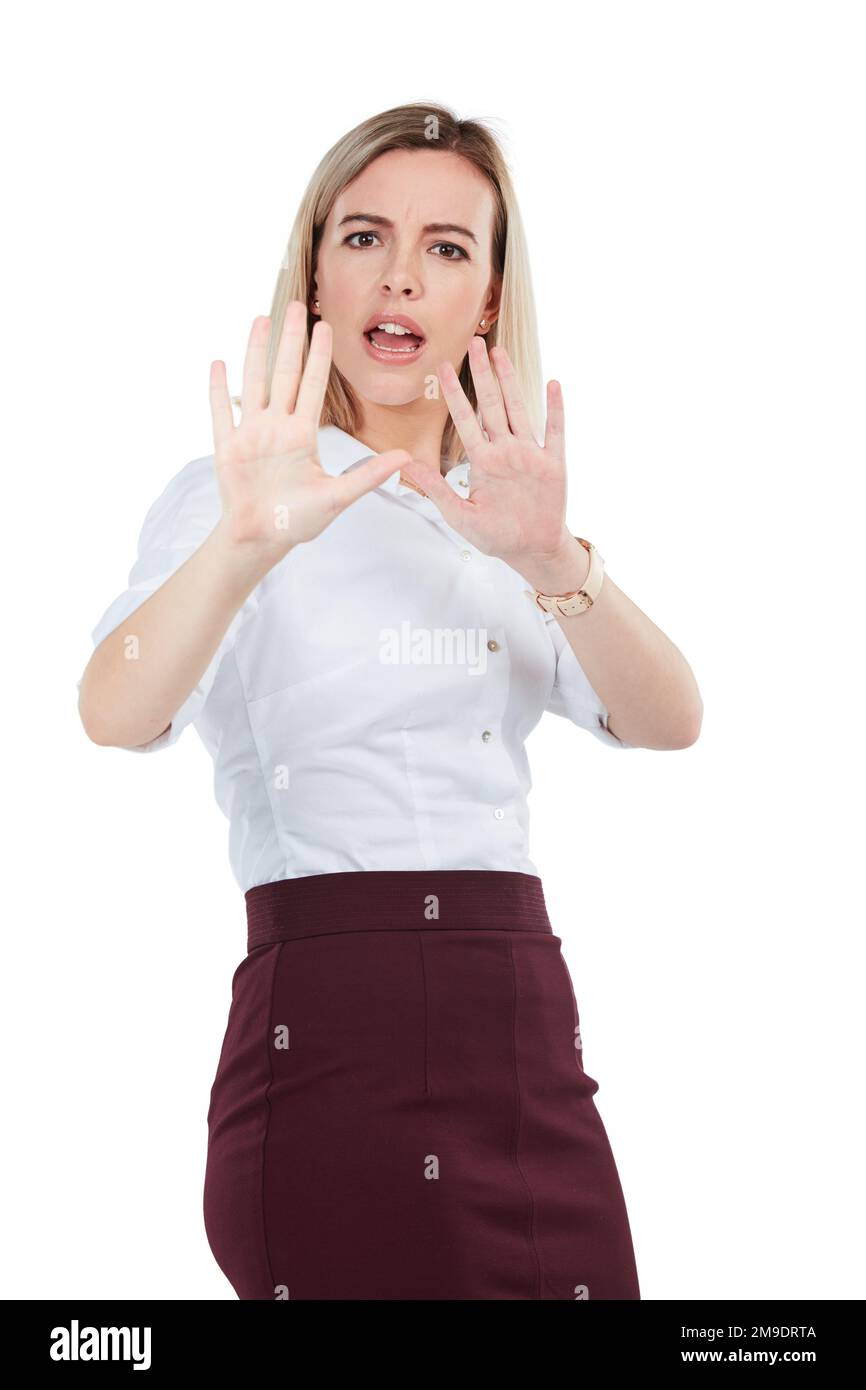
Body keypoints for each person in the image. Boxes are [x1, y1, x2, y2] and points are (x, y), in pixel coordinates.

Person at [78, 102, 702, 1301]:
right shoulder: (236, 492)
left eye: (448, 248)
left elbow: (668, 717)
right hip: (327, 1030)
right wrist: (244, 541)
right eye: (364, 236)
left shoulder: (507, 506)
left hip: (516, 1016)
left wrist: (555, 562)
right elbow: (115, 710)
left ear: (487, 296)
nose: (400, 277)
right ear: (314, 267)